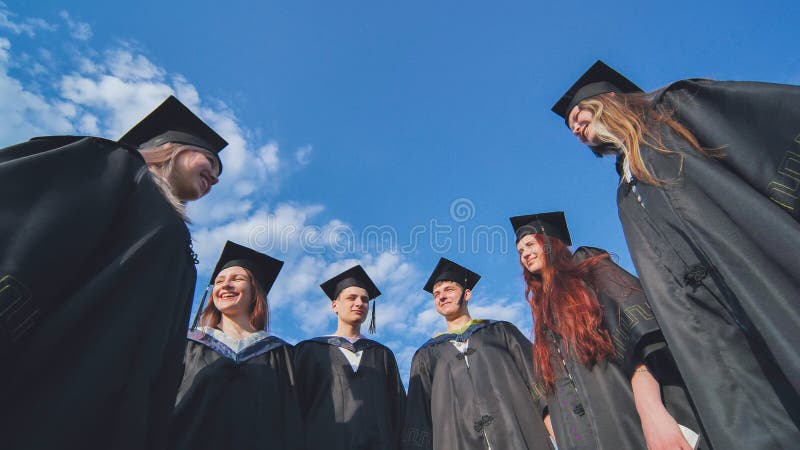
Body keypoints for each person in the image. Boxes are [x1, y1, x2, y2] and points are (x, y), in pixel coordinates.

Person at [552, 60, 800, 449]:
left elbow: (771, 133)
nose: (577, 128)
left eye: (578, 115)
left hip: (758, 278)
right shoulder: (625, 190)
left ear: (609, 98)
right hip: (708, 329)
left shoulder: (675, 112)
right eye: (572, 129)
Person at [0, 95, 226, 450]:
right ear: (172, 148)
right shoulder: (109, 163)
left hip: (107, 411)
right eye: (210, 161)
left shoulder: (181, 245)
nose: (214, 176)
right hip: (38, 380)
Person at [510, 211, 703, 450]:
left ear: (550, 241)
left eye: (530, 244)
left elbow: (640, 337)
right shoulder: (542, 314)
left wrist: (652, 412)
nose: (525, 254)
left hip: (629, 412)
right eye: (520, 251)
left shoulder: (586, 268)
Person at [402, 258, 553, 450]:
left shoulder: (502, 332)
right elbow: (418, 420)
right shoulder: (426, 356)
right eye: (436, 294)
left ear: (467, 294)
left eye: (449, 290)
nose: (441, 297)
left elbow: (540, 388)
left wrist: (565, 439)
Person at [171, 240, 302, 450]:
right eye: (220, 280)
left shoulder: (281, 354)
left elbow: (291, 422)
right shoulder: (188, 344)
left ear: (254, 291)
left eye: (237, 279)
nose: (225, 285)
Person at [294, 265, 406, 450]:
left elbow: (398, 412)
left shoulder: (382, 355)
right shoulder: (310, 351)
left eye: (364, 299)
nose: (359, 303)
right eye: (351, 298)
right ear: (335, 305)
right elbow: (295, 409)